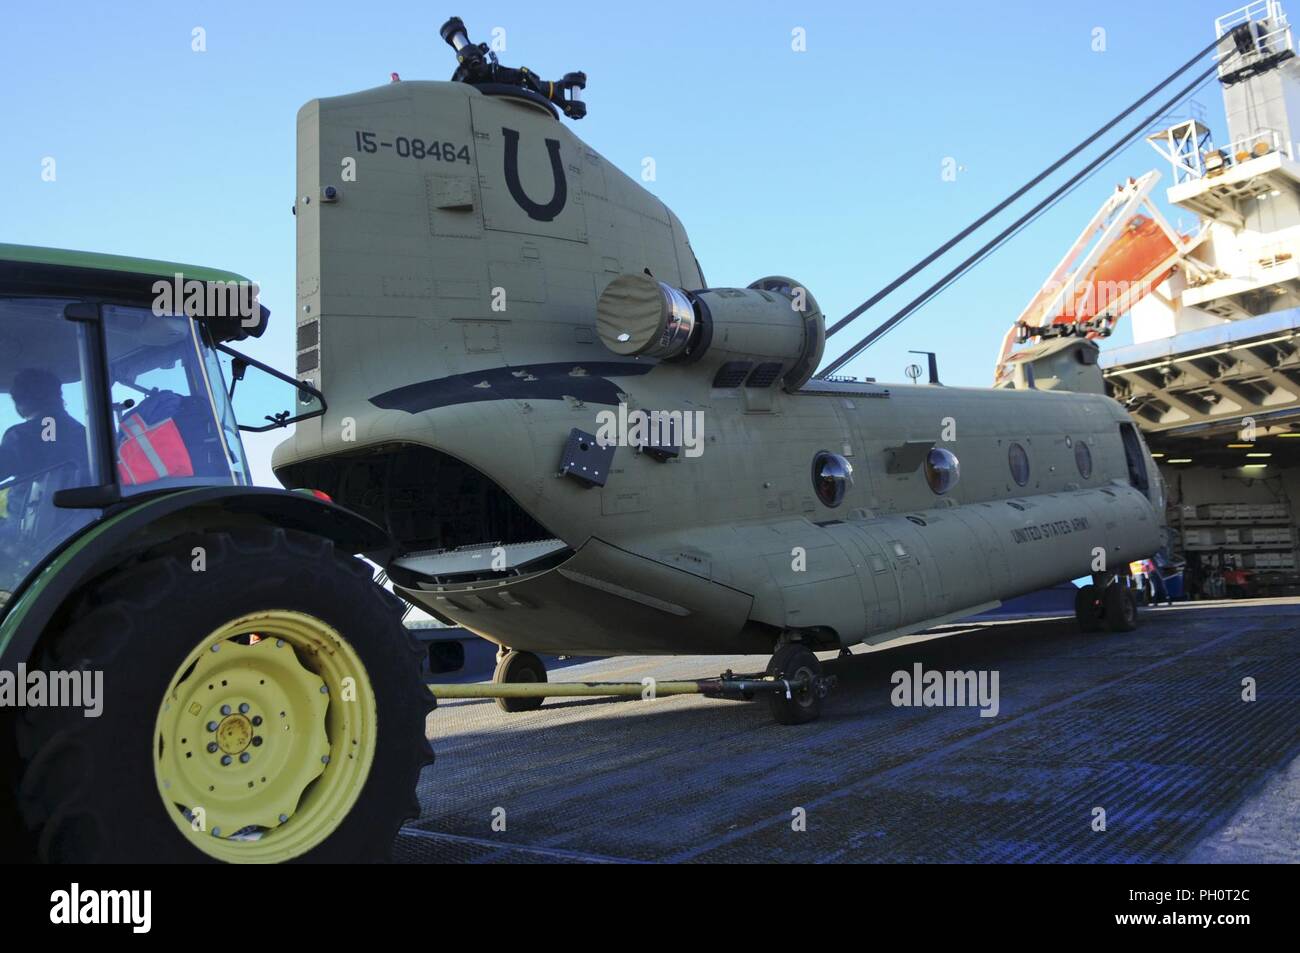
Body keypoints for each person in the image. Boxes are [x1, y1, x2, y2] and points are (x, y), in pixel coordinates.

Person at [0, 368, 89, 483]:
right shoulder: (85, 434)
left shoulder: (20, 436)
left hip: (42, 501)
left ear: (22, 402)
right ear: (58, 396)